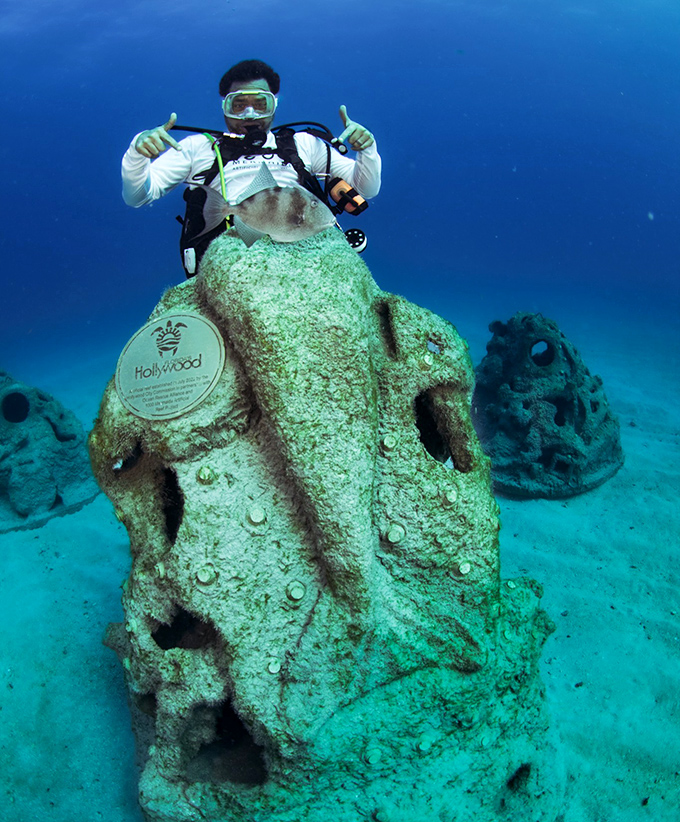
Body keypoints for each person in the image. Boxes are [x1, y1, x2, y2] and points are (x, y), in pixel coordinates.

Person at [121, 59, 381, 272]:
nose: (250, 115)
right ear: (224, 107)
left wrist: (367, 149)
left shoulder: (303, 143)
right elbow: (139, 197)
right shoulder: (197, 148)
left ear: (274, 106)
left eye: (260, 104)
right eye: (238, 105)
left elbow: (365, 189)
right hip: (234, 258)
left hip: (308, 251)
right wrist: (138, 155)